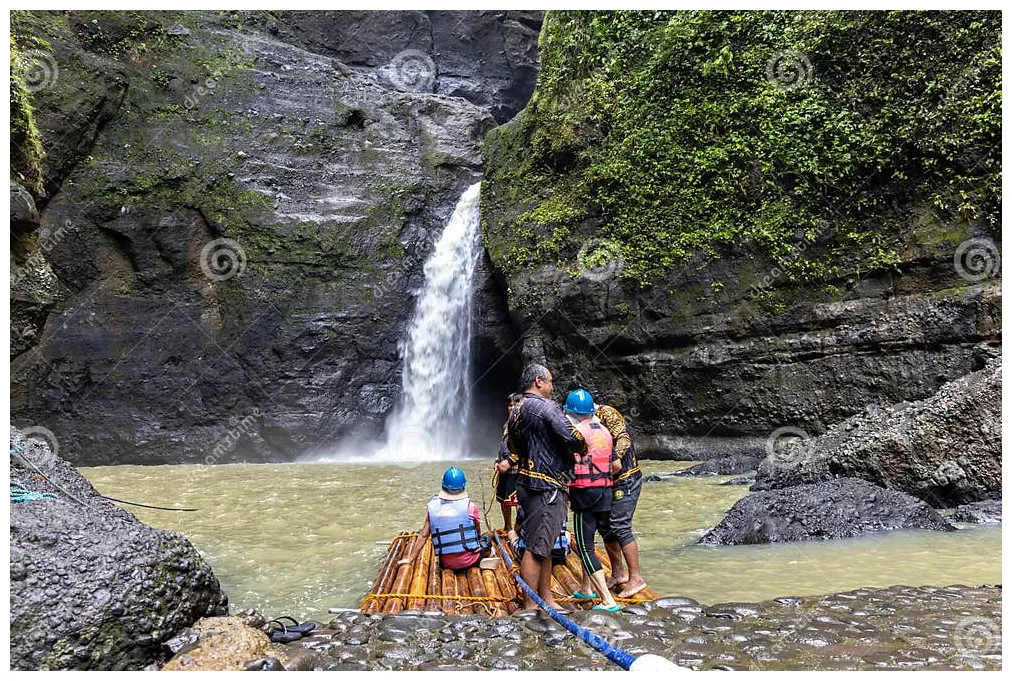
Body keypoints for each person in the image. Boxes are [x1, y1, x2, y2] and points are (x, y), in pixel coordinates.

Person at [506, 363, 586, 612]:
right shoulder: (546, 407)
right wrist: (581, 447)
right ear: (538, 382)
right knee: (536, 547)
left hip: (526, 483)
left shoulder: (516, 410)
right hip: (547, 485)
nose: (552, 386)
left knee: (545, 542)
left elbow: (513, 447)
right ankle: (531, 605)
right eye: (550, 381)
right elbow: (572, 437)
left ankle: (546, 597)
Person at [563, 388, 622, 612]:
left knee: (585, 548)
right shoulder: (605, 431)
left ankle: (607, 600)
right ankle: (586, 587)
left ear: (571, 412)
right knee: (591, 540)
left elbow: (567, 465)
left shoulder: (574, 434)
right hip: (605, 493)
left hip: (584, 495)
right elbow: (616, 465)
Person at [597, 403, 648, 598]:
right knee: (604, 525)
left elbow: (624, 439)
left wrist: (615, 458)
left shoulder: (607, 413)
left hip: (626, 479)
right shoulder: (578, 423)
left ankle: (636, 577)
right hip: (607, 480)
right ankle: (618, 573)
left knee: (620, 525)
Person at [399, 467, 490, 570]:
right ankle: (485, 558)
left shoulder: (433, 510)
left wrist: (410, 559)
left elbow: (423, 535)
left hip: (446, 564)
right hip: (470, 561)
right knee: (486, 537)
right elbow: (477, 532)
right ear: (463, 487)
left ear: (443, 486)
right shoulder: (471, 507)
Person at [494, 393, 524, 542]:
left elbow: (526, 448)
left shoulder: (523, 422)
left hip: (516, 470)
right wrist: (497, 461)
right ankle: (507, 527)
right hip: (504, 468)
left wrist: (509, 462)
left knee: (518, 501)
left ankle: (519, 530)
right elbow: (503, 446)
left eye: (515, 404)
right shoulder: (507, 423)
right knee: (503, 499)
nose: (512, 407)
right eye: (509, 404)